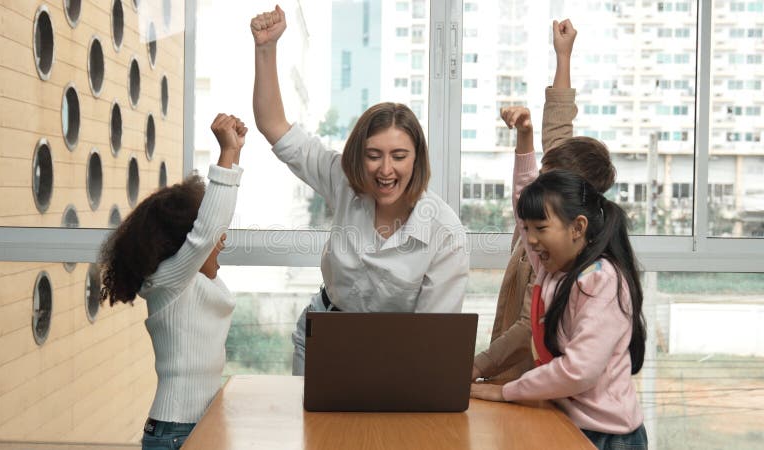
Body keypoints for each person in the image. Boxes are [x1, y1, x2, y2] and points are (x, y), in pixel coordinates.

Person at [250, 5, 469, 375]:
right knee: (313, 434)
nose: (386, 170)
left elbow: (434, 337)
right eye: (373, 155)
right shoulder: (345, 182)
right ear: (358, 156)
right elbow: (274, 126)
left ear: (416, 159)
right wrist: (266, 50)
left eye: (399, 156)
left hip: (397, 352)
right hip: (323, 336)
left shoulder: (444, 232)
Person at [470, 106, 648, 449]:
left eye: (541, 228)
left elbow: (577, 371)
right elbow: (526, 197)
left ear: (577, 225)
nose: (530, 240)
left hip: (608, 436)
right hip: (566, 420)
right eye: (527, 229)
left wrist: (505, 391)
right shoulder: (551, 266)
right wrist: (523, 138)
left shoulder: (601, 280)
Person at [472, 19, 617, 382]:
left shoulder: (559, 265)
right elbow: (559, 128)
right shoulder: (562, 200)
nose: (537, 187)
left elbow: (525, 329)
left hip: (530, 373)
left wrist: (479, 369)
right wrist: (563, 56)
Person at [99, 114, 247, 450]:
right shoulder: (168, 282)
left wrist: (235, 153)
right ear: (185, 245)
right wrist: (225, 154)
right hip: (176, 432)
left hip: (198, 425)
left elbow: (214, 220)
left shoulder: (195, 283)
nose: (221, 241)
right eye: (215, 237)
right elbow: (209, 228)